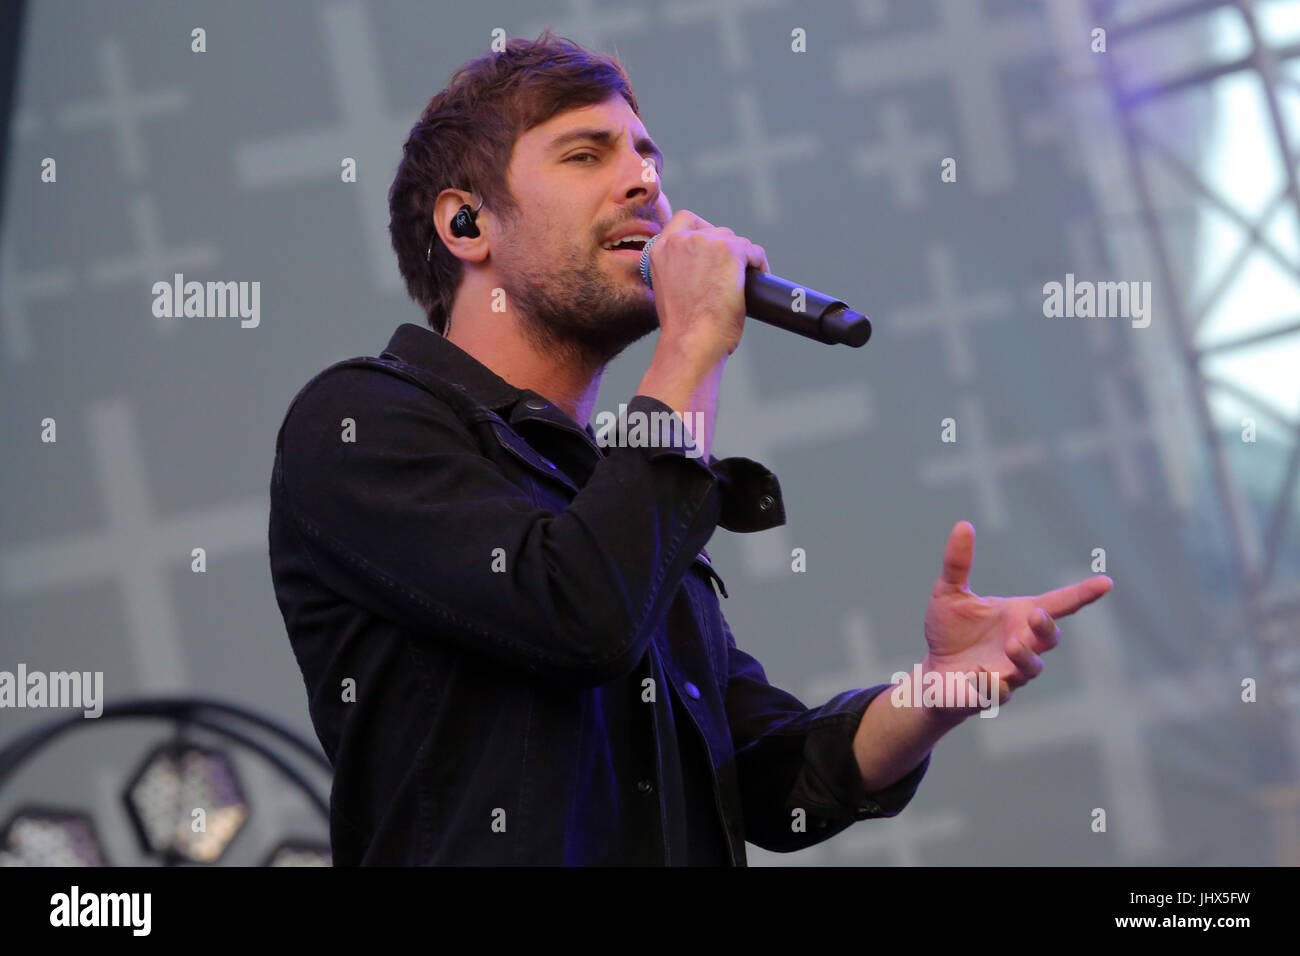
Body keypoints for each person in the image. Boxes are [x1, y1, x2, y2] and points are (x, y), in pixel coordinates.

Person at [267, 30, 1113, 866]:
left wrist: (937, 691)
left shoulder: (619, 491)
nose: (644, 181)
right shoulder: (361, 422)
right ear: (465, 222)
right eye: (585, 155)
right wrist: (694, 341)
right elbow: (579, 612)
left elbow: (769, 780)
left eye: (646, 157)